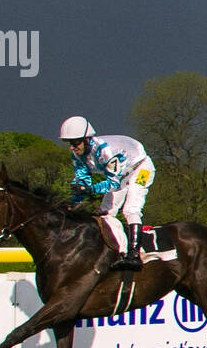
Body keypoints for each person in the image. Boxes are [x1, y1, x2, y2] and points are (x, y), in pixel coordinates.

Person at [58, 116, 156, 271]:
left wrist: (90, 190)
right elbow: (82, 182)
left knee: (130, 209)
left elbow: (113, 183)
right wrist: (74, 204)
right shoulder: (77, 155)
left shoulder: (106, 151)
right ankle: (118, 252)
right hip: (122, 174)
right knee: (105, 213)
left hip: (141, 168)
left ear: (87, 139)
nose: (72, 147)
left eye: (75, 142)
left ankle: (134, 255)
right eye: (69, 143)